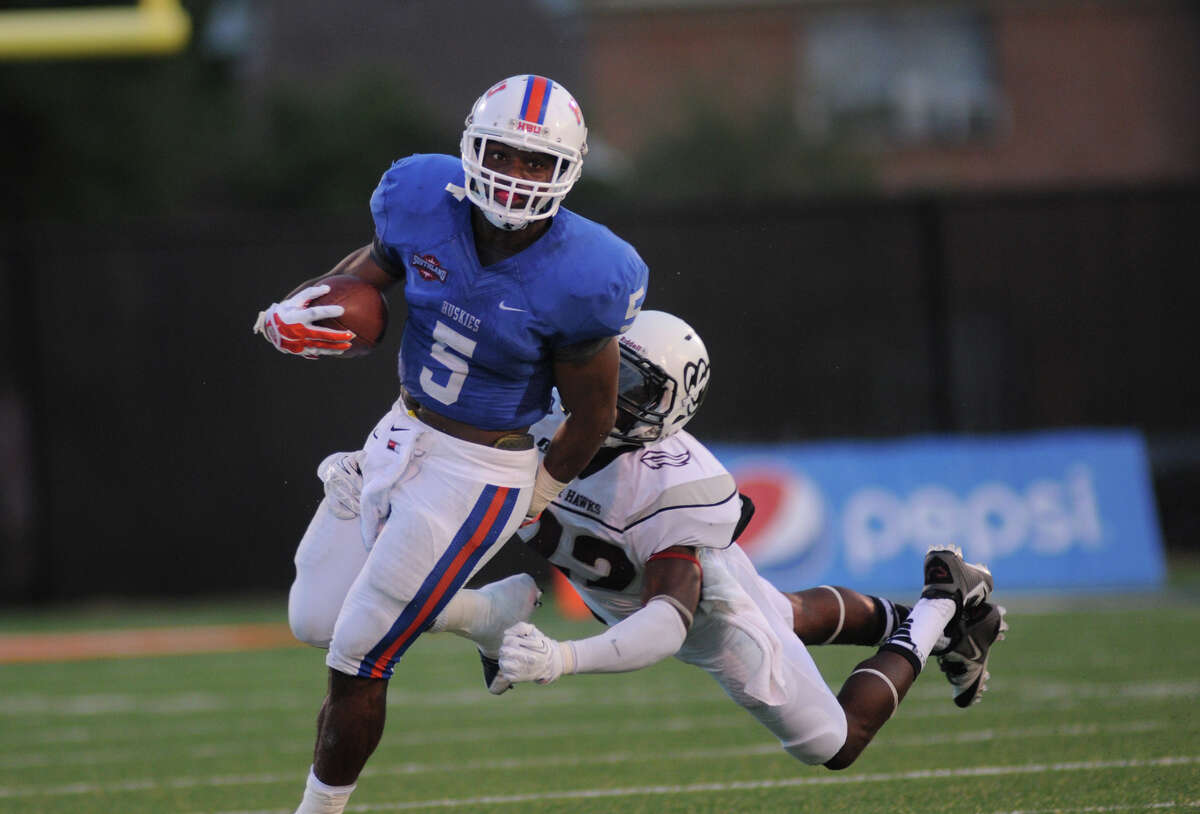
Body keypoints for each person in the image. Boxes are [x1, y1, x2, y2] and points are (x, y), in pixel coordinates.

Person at [252, 75, 648, 814]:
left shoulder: (588, 272)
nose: (516, 174)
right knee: (313, 619)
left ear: (568, 170)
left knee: (359, 657)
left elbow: (594, 412)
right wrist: (300, 309)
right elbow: (362, 281)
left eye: (537, 161)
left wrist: (537, 491)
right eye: (504, 152)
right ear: (471, 146)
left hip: (481, 465)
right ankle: (485, 615)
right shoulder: (420, 197)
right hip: (400, 428)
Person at [496, 309, 1009, 769]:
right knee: (788, 614)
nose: (606, 389)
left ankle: (941, 603)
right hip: (633, 593)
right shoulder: (535, 412)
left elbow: (665, 625)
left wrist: (563, 658)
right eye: (608, 368)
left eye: (630, 385)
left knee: (833, 744)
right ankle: (951, 628)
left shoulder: (670, 487)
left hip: (706, 616)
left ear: (667, 410)